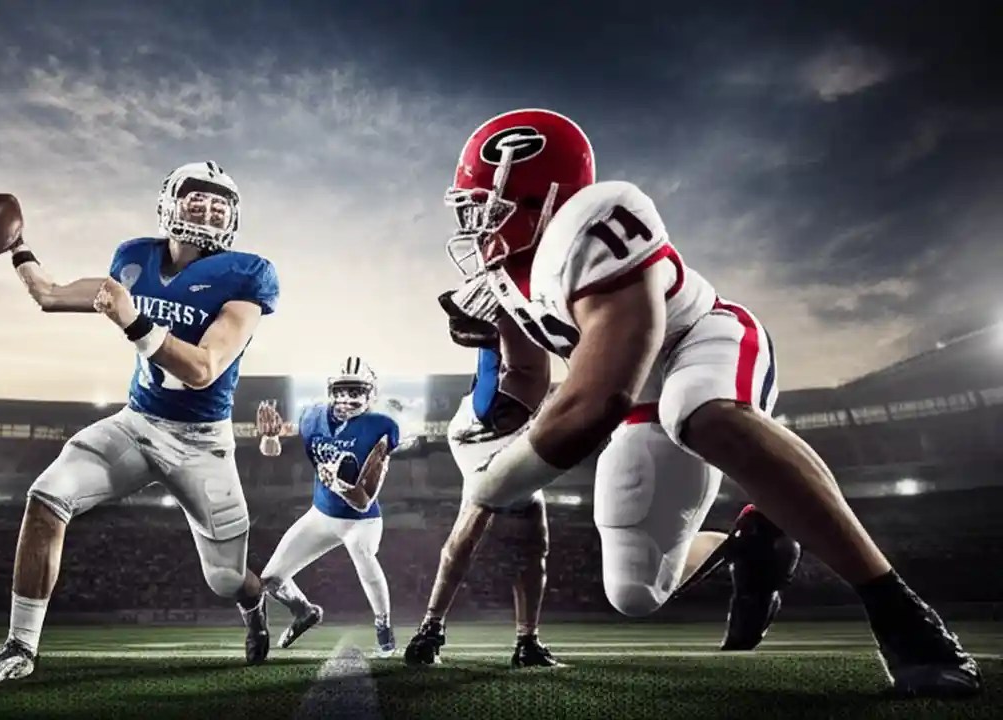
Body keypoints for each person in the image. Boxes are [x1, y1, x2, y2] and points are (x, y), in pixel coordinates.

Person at [411, 109, 980, 697]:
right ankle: (746, 542)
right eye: (472, 209)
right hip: (639, 399)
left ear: (544, 198)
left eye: (491, 207)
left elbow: (597, 398)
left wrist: (495, 479)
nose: (479, 225)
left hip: (704, 339)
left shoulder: (595, 224)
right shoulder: (503, 275)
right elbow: (528, 376)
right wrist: (492, 422)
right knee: (635, 592)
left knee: (697, 411)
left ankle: (904, 617)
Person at [0, 161, 279, 686]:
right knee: (47, 496)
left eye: (220, 204)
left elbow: (203, 370)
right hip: (138, 422)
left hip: (202, 444)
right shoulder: (135, 257)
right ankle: (19, 647)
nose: (209, 210)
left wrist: (134, 322)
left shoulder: (248, 273)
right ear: (169, 203)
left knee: (223, 579)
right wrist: (18, 248)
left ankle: (255, 603)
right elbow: (51, 295)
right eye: (198, 199)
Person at [403, 346, 561, 667]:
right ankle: (431, 629)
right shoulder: (506, 362)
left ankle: (524, 641)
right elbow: (491, 360)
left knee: (533, 539)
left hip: (507, 434)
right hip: (484, 433)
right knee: (479, 509)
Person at [254, 358, 401, 656]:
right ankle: (305, 612)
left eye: (356, 390)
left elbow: (363, 500)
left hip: (361, 522)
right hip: (321, 515)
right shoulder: (312, 416)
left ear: (371, 393)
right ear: (330, 390)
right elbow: (272, 452)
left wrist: (336, 484)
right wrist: (270, 436)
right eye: (341, 390)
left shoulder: (381, 427)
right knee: (270, 580)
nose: (347, 398)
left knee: (365, 561)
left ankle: (384, 626)